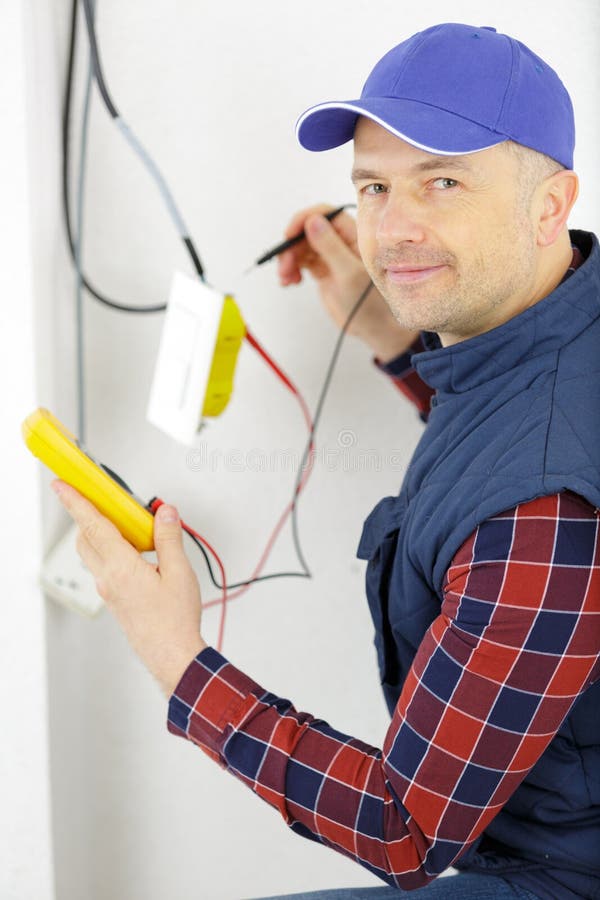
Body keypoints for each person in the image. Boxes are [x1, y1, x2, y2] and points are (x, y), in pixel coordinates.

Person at [53, 22, 600, 900]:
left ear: (550, 203)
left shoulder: (542, 515)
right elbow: (516, 426)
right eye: (375, 186)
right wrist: (395, 338)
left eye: (444, 182)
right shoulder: (567, 320)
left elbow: (405, 829)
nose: (395, 228)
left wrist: (178, 656)